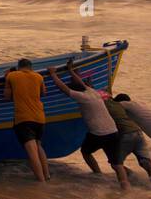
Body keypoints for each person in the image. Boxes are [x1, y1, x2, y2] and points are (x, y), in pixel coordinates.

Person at [46, 58, 128, 189]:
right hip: (113, 131)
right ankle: (125, 187)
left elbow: (64, 88)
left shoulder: (82, 97)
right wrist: (71, 70)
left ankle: (97, 174)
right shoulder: (93, 92)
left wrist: (52, 74)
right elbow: (80, 83)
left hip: (98, 133)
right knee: (117, 164)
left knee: (85, 152)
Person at [4, 58, 49, 182]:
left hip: (24, 119)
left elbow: (7, 97)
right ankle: (47, 176)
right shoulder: (39, 77)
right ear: (31, 68)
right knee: (39, 146)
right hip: (40, 118)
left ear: (19, 67)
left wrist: (7, 78)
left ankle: (41, 182)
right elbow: (43, 93)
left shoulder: (12, 76)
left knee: (32, 152)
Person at [101, 94, 151, 182]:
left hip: (126, 134)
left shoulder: (115, 106)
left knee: (115, 164)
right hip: (138, 133)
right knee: (145, 161)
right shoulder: (130, 111)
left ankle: (129, 178)